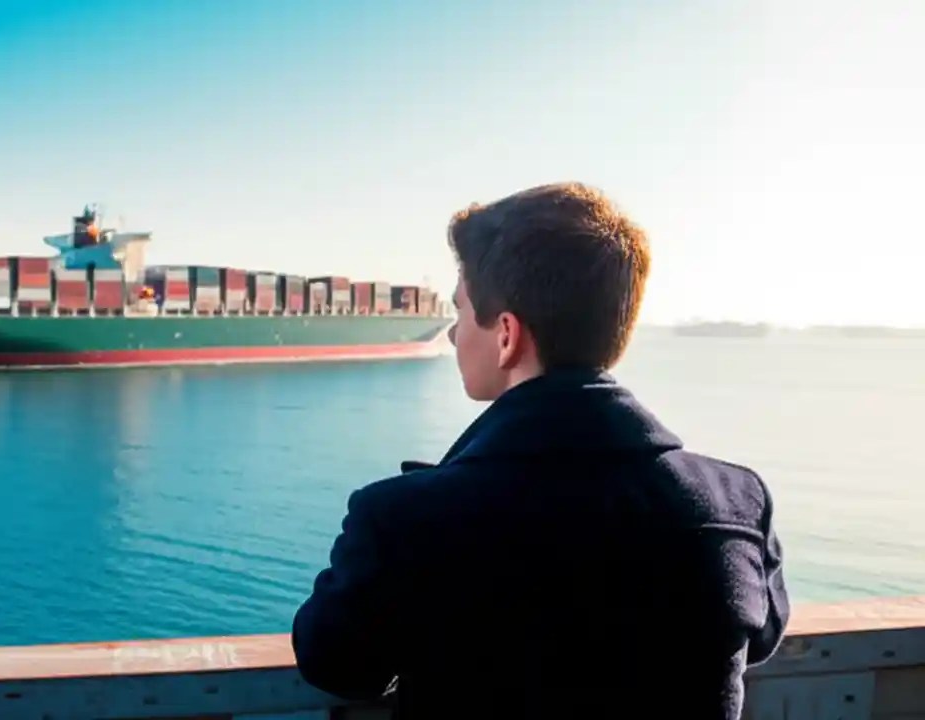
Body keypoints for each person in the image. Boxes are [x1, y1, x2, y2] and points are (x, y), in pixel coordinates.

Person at [291, 182, 789, 719]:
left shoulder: (403, 519)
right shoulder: (737, 504)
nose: (455, 335)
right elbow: (759, 637)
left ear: (506, 335)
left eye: (460, 313)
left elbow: (335, 663)